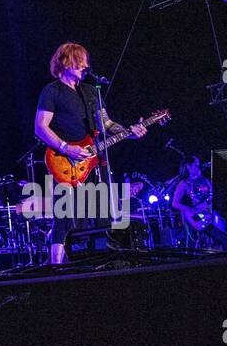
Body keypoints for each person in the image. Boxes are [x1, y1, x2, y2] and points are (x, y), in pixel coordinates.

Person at [33, 42, 145, 265]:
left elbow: (107, 123)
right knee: (64, 217)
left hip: (93, 162)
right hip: (64, 162)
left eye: (85, 61)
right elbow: (40, 126)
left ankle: (97, 265)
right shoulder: (52, 91)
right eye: (79, 61)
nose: (85, 66)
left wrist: (128, 132)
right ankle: (55, 271)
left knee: (99, 215)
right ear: (66, 62)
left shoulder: (92, 92)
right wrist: (66, 148)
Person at [170, 155, 213, 233]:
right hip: (196, 215)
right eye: (196, 165)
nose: (198, 166)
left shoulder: (205, 180)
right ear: (188, 167)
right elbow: (175, 203)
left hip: (209, 211)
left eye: (198, 164)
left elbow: (213, 196)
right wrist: (193, 210)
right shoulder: (184, 183)